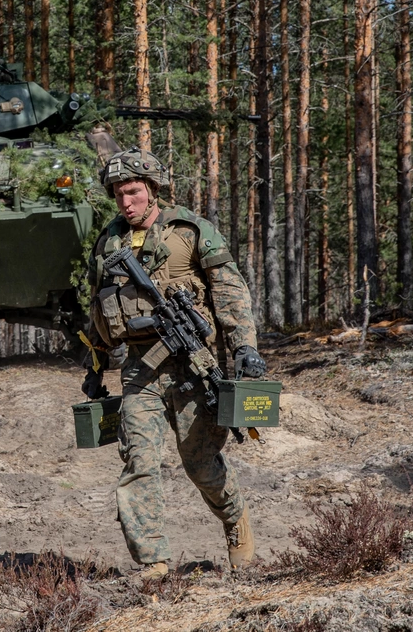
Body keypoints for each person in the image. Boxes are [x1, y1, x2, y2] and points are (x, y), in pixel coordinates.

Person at [82, 147, 267, 580]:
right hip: (138, 370)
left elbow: (230, 293)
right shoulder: (108, 241)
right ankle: (154, 563)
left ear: (151, 189)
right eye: (118, 194)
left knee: (200, 462)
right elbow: (99, 309)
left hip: (191, 365)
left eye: (132, 192)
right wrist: (95, 366)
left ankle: (235, 520)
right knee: (139, 463)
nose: (125, 202)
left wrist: (245, 348)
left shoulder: (190, 231)